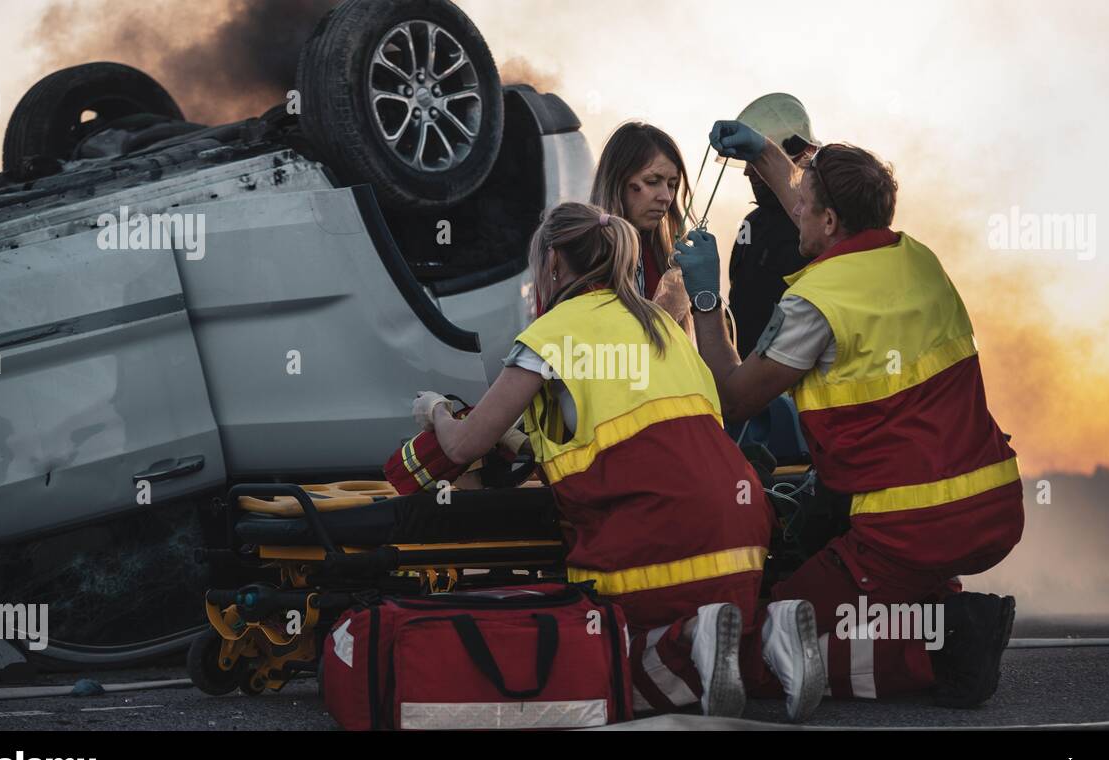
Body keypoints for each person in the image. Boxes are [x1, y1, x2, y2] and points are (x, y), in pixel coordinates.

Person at [413, 202, 825, 721]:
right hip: (741, 534)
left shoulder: (548, 337)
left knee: (609, 666)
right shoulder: (663, 326)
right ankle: (768, 632)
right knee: (719, 642)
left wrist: (433, 410)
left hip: (651, 539)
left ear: (555, 261)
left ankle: (692, 642)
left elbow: (463, 446)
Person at [673, 121, 1024, 707]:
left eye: (804, 207)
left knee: (762, 642)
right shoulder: (917, 260)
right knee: (888, 598)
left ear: (828, 221)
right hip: (992, 507)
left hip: (908, 526)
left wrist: (706, 299)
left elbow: (734, 397)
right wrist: (763, 152)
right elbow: (825, 214)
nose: (796, 214)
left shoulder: (815, 303)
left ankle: (941, 654)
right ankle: (942, 617)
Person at [728, 96, 816, 358]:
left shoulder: (821, 228)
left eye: (756, 161)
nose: (747, 173)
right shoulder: (751, 224)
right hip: (747, 376)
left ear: (798, 155)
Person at [590, 122, 694, 330]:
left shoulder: (661, 256)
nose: (666, 197)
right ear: (617, 181)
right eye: (653, 181)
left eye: (672, 184)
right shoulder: (583, 255)